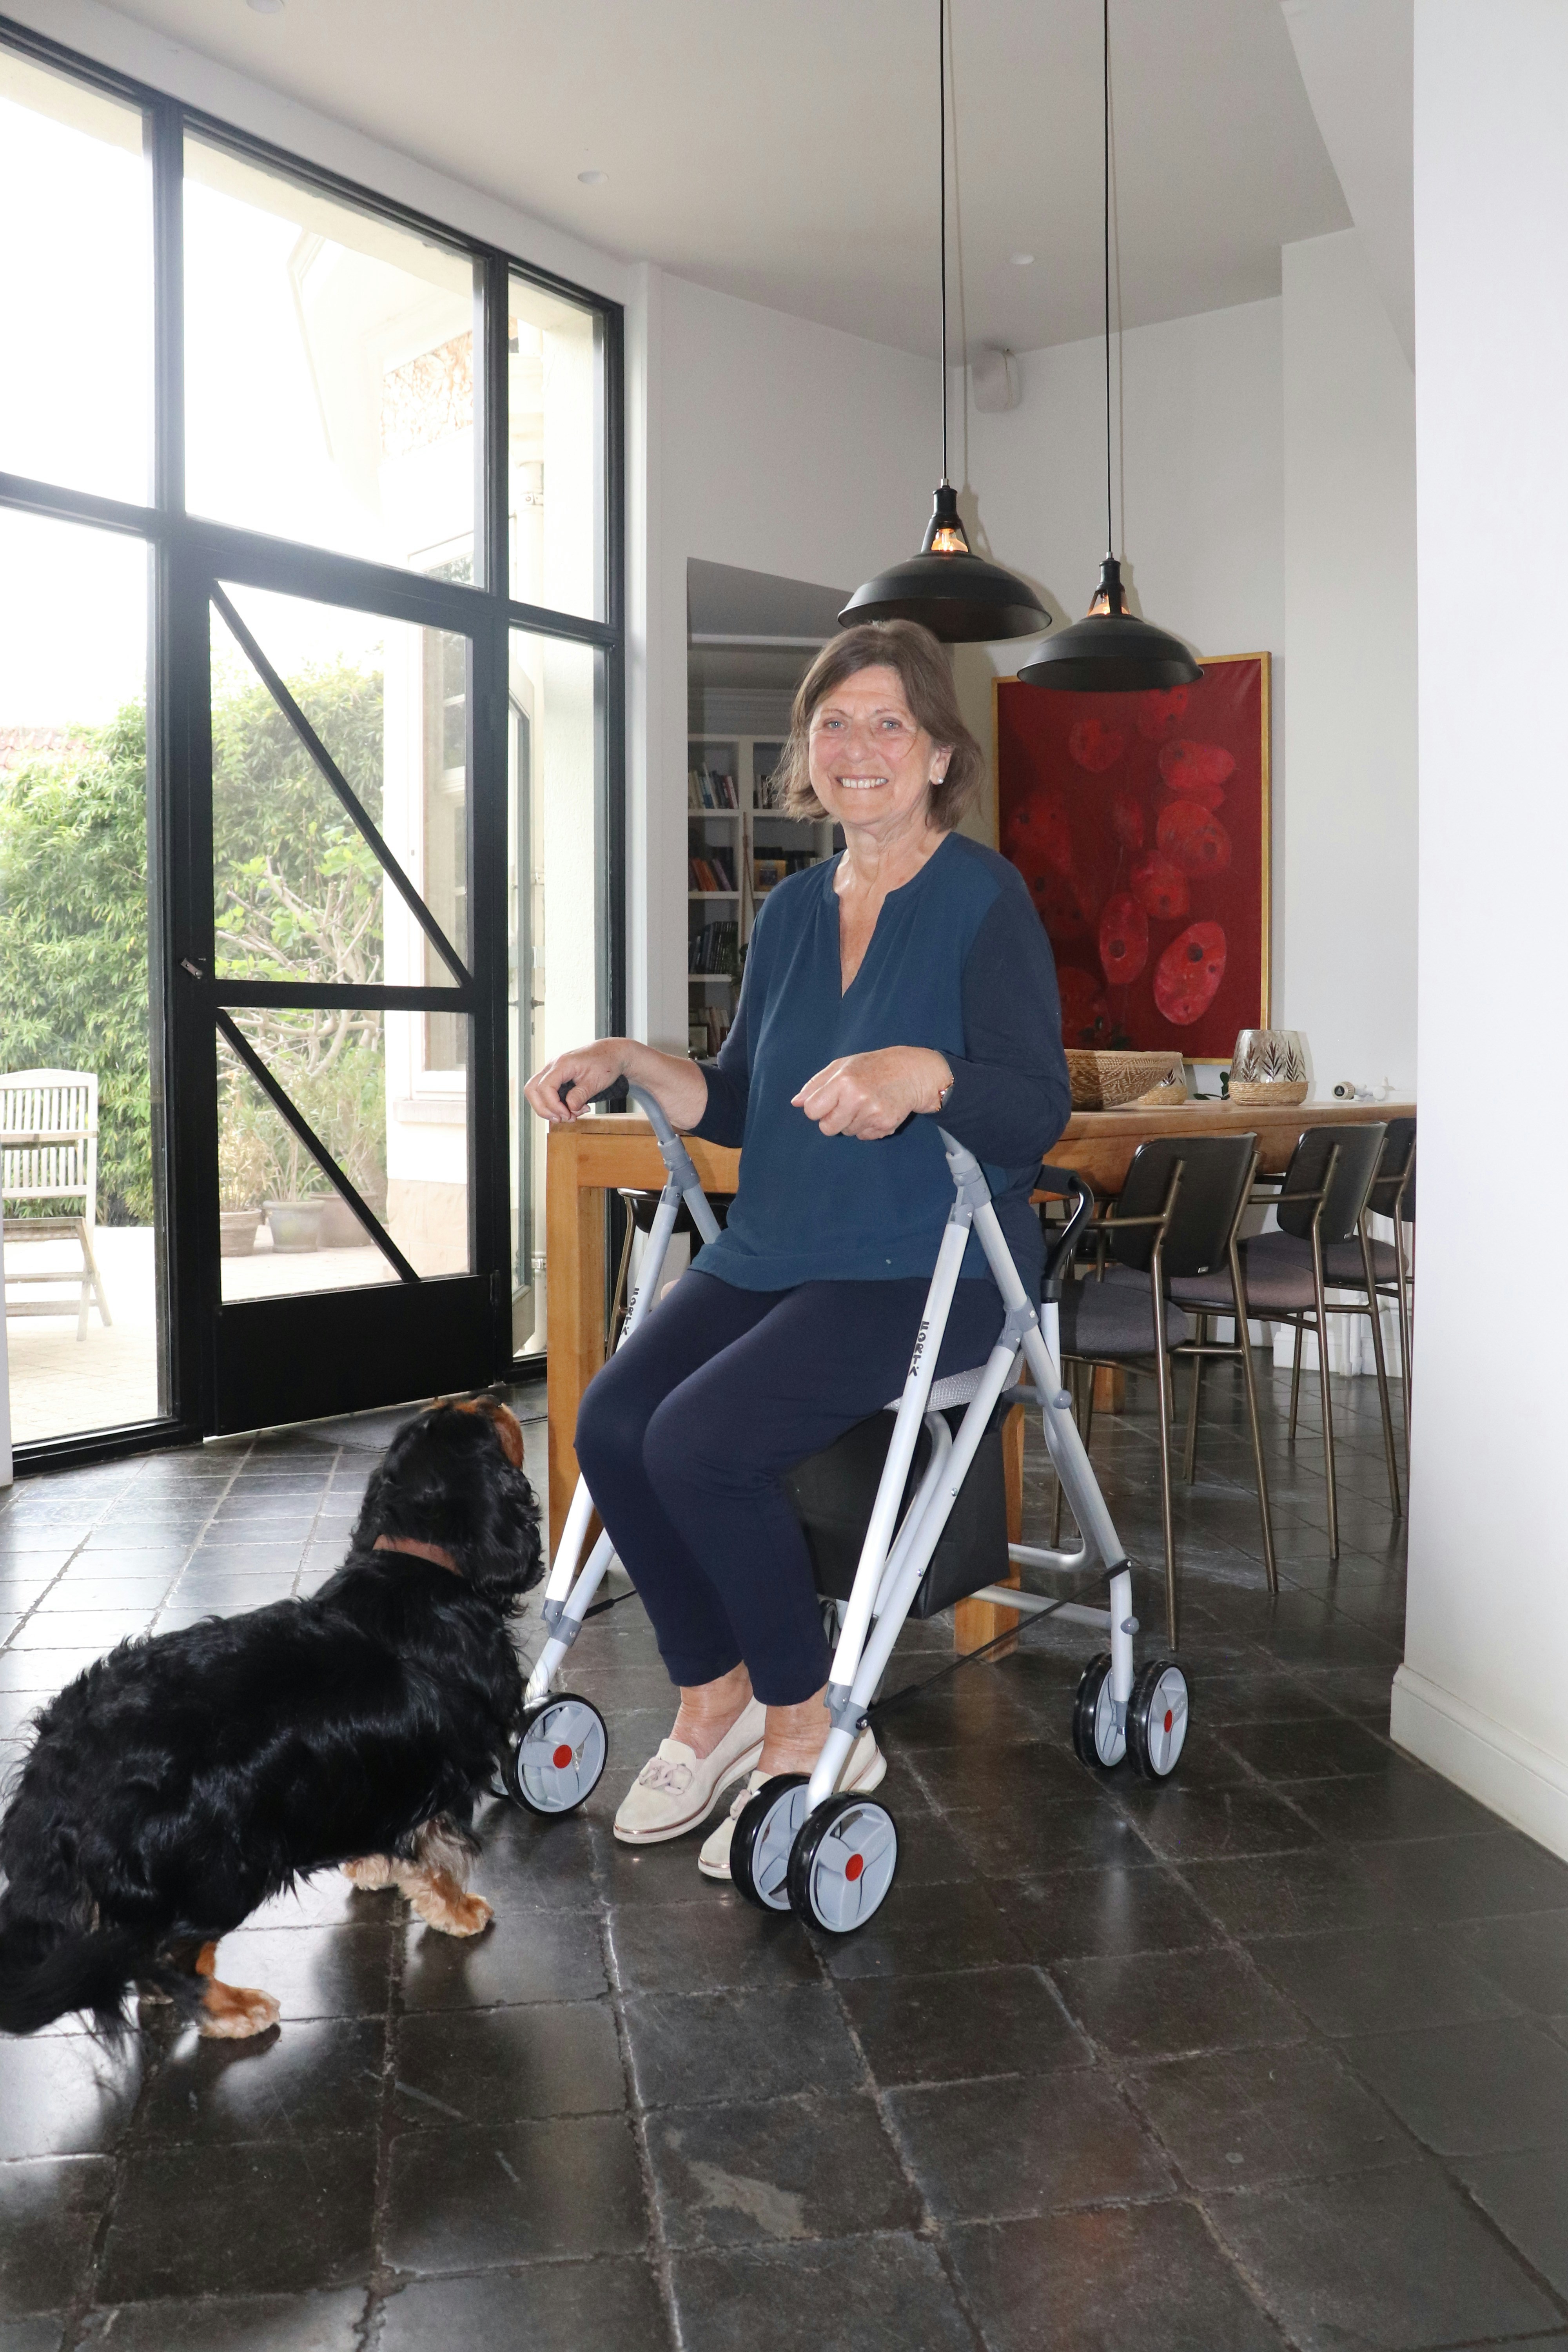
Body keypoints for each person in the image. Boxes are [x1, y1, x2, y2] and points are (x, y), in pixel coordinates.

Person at [523, 618, 1070, 1880]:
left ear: (939, 753)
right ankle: (712, 1705)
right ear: (806, 754)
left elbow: (1034, 1107)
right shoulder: (784, 913)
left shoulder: (985, 898)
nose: (857, 747)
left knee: (703, 1444)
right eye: (834, 723)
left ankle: (806, 1724)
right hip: (782, 1246)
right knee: (613, 1428)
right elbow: (743, 1093)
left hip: (932, 1261)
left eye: (888, 723)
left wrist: (927, 1073)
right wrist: (633, 1061)